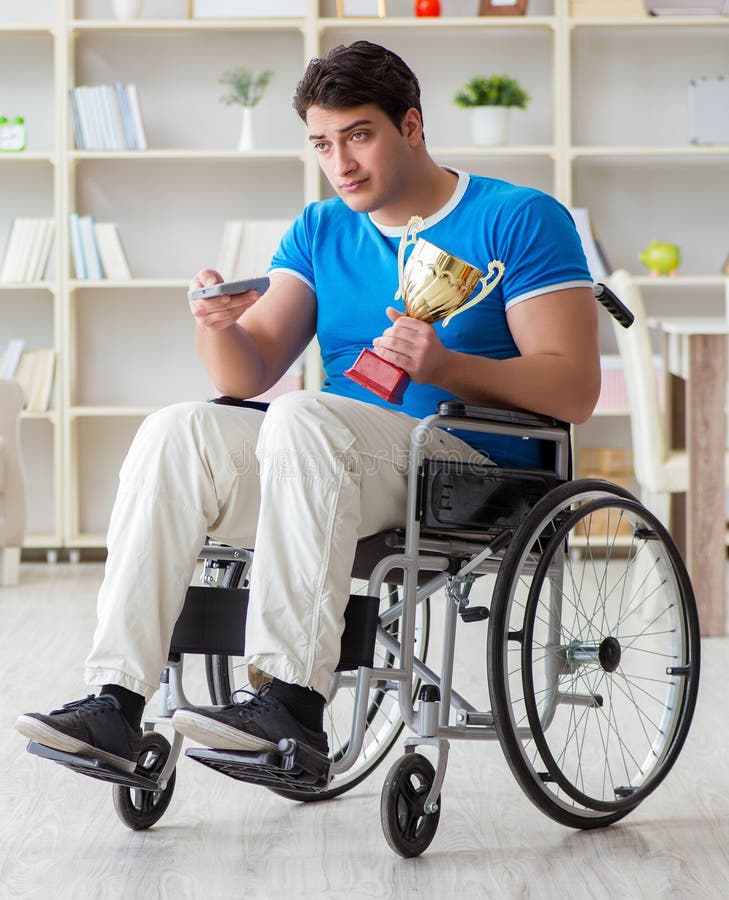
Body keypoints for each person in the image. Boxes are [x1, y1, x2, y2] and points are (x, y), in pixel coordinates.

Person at [16, 41, 600, 774]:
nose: (341, 162)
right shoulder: (321, 229)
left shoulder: (517, 218)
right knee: (177, 428)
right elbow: (251, 370)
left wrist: (445, 364)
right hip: (328, 460)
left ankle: (290, 703)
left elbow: (573, 387)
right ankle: (115, 701)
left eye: (359, 135)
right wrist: (217, 326)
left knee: (303, 416)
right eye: (323, 143)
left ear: (411, 126)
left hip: (470, 465)